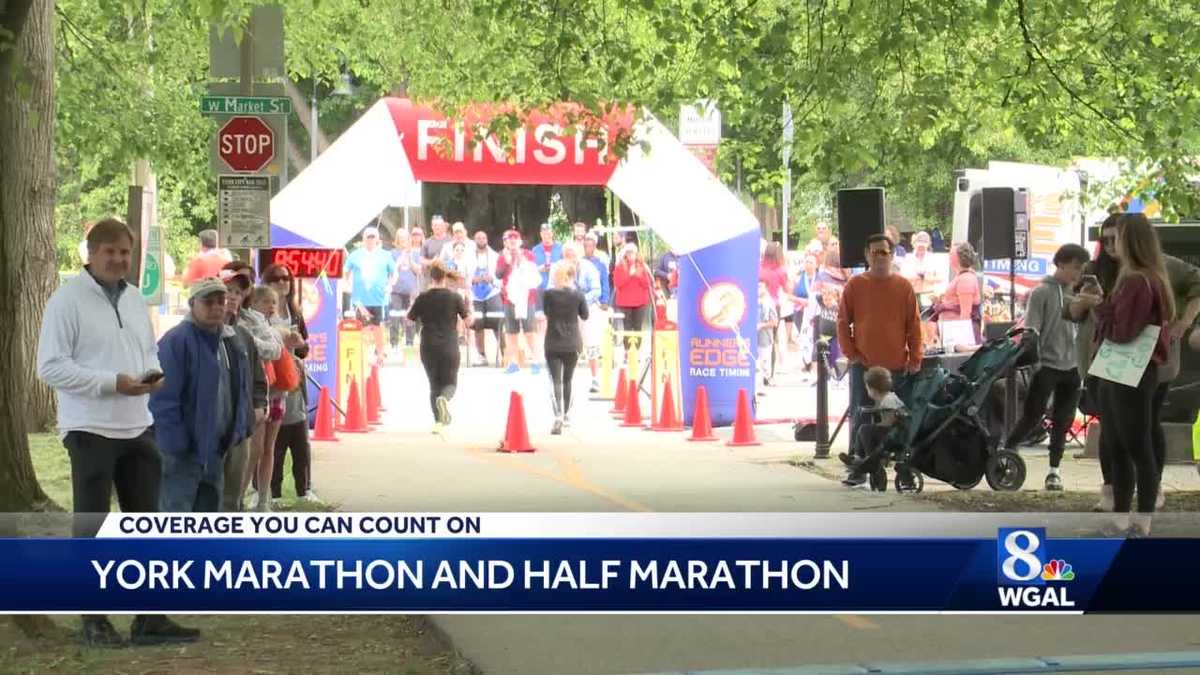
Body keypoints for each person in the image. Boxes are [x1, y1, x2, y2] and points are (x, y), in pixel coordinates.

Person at [37, 217, 198, 647]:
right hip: (89, 428)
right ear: (91, 254)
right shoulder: (66, 300)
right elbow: (50, 366)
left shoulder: (134, 299)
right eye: (109, 251)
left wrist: (153, 374)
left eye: (124, 252)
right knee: (91, 527)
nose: (118, 259)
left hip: (137, 425)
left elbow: (144, 349)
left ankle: (150, 617)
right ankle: (93, 619)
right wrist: (112, 383)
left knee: (147, 525)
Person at [1082, 213, 1172, 536]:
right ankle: (1124, 519)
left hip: (1128, 371)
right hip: (1130, 371)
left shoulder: (1136, 280)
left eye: (1114, 238)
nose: (1109, 245)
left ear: (1129, 241)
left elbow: (1123, 331)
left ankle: (1139, 520)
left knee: (1134, 445)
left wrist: (1098, 307)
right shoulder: (1147, 277)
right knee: (1123, 444)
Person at [152, 277, 251, 513]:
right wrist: (176, 444)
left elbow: (239, 389)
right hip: (183, 454)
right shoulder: (175, 341)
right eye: (209, 302)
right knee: (176, 519)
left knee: (208, 521)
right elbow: (164, 398)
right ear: (192, 303)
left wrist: (238, 430)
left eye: (221, 301)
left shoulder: (231, 341)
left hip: (216, 449)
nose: (217, 307)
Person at [1003, 243, 1090, 491]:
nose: (1078, 273)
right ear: (1061, 264)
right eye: (1075, 267)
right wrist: (1036, 360)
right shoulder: (1041, 292)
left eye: (1081, 268)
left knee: (1063, 419)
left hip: (1072, 367)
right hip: (1047, 365)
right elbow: (1032, 328)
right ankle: (1008, 451)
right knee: (1033, 415)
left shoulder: (1078, 293)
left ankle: (1054, 471)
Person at [837, 233, 923, 479]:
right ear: (866, 255)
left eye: (884, 252)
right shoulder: (854, 285)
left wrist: (915, 358)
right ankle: (858, 469)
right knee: (860, 414)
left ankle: (903, 472)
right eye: (874, 252)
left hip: (896, 367)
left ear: (892, 255)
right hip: (863, 366)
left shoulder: (904, 287)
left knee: (898, 423)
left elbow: (914, 326)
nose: (879, 257)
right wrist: (851, 354)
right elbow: (843, 323)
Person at [218, 269, 267, 513]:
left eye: (238, 292)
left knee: (232, 499)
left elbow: (258, 378)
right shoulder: (195, 334)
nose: (234, 297)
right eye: (228, 291)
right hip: (209, 432)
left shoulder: (243, 336)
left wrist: (259, 406)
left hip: (239, 428)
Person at [408, 261, 471, 432]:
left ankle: (438, 423)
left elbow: (409, 320)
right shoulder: (454, 297)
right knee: (450, 382)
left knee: (433, 384)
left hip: (428, 344)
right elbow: (468, 321)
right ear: (445, 277)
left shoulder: (423, 297)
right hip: (449, 344)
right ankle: (445, 398)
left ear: (431, 277)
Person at [840, 366, 908, 485]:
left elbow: (889, 421)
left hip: (892, 434)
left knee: (864, 430)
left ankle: (864, 457)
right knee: (866, 430)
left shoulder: (888, 400)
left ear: (873, 389)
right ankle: (858, 458)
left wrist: (877, 424)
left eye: (867, 388)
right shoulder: (890, 397)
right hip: (894, 433)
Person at [543, 260, 589, 434]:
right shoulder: (578, 295)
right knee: (568, 379)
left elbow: (547, 313)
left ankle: (558, 416)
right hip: (572, 341)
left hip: (553, 340)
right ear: (572, 276)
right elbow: (584, 315)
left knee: (555, 379)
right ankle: (568, 415)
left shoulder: (548, 294)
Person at [345, 226, 397, 364]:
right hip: (360, 300)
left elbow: (394, 272)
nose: (371, 239)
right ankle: (360, 355)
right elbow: (346, 271)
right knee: (361, 327)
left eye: (373, 236)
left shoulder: (385, 255)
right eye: (368, 236)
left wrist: (390, 285)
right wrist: (349, 285)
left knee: (379, 327)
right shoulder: (355, 255)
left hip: (379, 299)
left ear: (378, 239)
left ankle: (380, 354)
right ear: (363, 239)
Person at [496, 229, 541, 374]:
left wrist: (519, 258)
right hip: (509, 298)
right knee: (511, 331)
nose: (512, 242)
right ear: (506, 242)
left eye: (515, 239)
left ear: (520, 241)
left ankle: (536, 360)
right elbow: (498, 274)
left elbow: (533, 272)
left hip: (526, 297)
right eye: (510, 240)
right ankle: (513, 362)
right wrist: (507, 262)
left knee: (529, 330)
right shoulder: (503, 256)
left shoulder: (528, 254)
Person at [465, 229, 503, 366]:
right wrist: (472, 280)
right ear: (474, 240)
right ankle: (482, 356)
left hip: (492, 293)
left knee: (497, 320)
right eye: (478, 238)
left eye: (483, 238)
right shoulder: (468, 256)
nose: (481, 240)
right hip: (475, 294)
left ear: (487, 240)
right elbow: (464, 275)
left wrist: (492, 279)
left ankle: (504, 354)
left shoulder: (494, 256)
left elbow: (500, 277)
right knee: (478, 323)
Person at [934, 242, 983, 343]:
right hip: (951, 331)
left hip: (958, 335)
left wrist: (961, 340)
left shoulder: (966, 279)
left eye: (951, 254)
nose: (949, 257)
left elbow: (965, 313)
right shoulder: (960, 277)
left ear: (959, 258)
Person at [582, 232, 611, 391]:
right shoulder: (578, 262)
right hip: (580, 304)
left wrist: (605, 300)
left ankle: (596, 376)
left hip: (596, 304)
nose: (588, 247)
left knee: (596, 339)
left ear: (595, 246)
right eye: (585, 245)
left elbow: (605, 282)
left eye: (590, 244)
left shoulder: (600, 264)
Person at [612, 243, 654, 354]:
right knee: (627, 327)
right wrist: (629, 275)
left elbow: (648, 284)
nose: (631, 255)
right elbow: (618, 283)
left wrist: (639, 276)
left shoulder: (642, 266)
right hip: (625, 303)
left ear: (636, 253)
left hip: (640, 302)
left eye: (633, 252)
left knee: (637, 327)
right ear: (625, 254)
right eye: (628, 252)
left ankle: (636, 351)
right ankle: (627, 351)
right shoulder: (620, 266)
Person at [388, 228, 420, 364]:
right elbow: (391, 269)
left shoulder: (415, 253)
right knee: (395, 317)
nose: (403, 241)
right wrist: (401, 258)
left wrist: (410, 258)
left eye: (405, 238)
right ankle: (394, 344)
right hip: (396, 290)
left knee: (410, 317)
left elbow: (418, 270)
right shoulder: (392, 253)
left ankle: (409, 343)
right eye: (400, 238)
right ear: (397, 240)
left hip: (411, 290)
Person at [759, 242, 791, 378]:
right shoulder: (781, 270)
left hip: (758, 306)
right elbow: (787, 289)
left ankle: (759, 371)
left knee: (758, 339)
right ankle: (768, 374)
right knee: (770, 341)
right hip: (773, 305)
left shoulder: (758, 268)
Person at [792, 252, 820, 381]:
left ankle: (812, 361)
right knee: (803, 337)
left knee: (814, 336)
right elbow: (789, 295)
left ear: (816, 264)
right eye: (807, 261)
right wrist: (799, 301)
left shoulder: (820, 278)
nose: (808, 264)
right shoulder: (797, 278)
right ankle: (805, 361)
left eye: (811, 262)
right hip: (800, 311)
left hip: (814, 312)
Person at [756, 281, 779, 387]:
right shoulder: (751, 299)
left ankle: (768, 378)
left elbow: (775, 322)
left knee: (765, 362)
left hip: (765, 337)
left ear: (765, 288)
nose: (758, 288)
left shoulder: (769, 302)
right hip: (752, 338)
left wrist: (762, 325)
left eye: (760, 286)